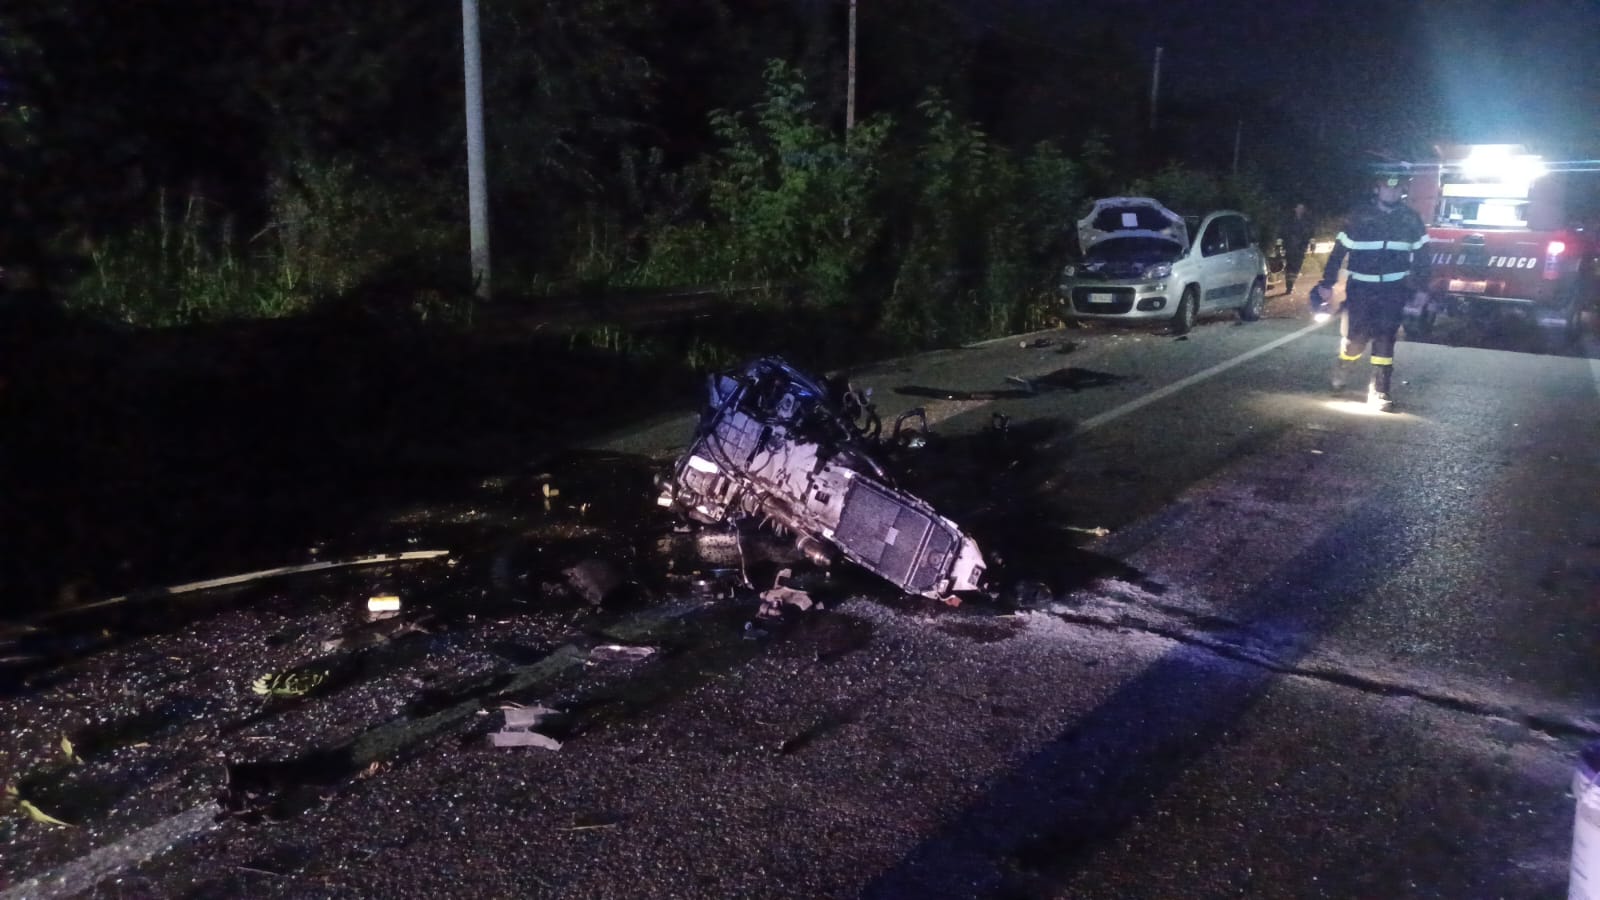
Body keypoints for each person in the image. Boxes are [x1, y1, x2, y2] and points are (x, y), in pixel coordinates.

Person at [1310, 168, 1430, 411]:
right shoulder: (1359, 217)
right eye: (1387, 187)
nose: (1392, 192)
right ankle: (1344, 363)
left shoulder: (1411, 220)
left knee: (1386, 336)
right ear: (1377, 189)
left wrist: (1422, 288)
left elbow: (1423, 256)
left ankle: (1379, 390)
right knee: (1356, 338)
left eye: (1397, 189)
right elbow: (1338, 252)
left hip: (1393, 289)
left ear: (1402, 191)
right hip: (1361, 288)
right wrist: (1327, 283)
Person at [1281, 202, 1315, 293]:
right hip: (1290, 247)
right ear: (1295, 209)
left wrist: (1312, 245)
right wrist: (1279, 245)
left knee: (1297, 266)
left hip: (1301, 247)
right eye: (1299, 208)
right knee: (1290, 266)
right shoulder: (1289, 220)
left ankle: (1291, 283)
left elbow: (1311, 234)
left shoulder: (1307, 221)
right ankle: (1289, 286)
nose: (1300, 210)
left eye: (1302, 208)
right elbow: (1282, 232)